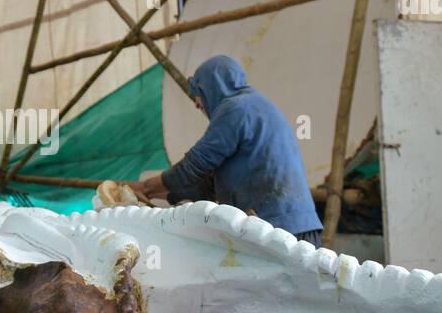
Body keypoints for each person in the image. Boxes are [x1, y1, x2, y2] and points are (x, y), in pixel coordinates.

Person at [131, 55, 323, 246]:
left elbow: (193, 165)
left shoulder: (235, 109)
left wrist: (145, 187)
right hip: (295, 226)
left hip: (279, 230)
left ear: (213, 87)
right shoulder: (255, 107)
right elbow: (204, 187)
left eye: (198, 93)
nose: (197, 104)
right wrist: (155, 195)